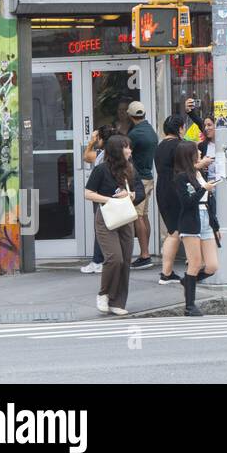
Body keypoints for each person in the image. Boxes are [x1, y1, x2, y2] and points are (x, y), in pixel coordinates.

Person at [83, 133, 145, 316]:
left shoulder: (131, 170)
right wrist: (108, 200)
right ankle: (103, 294)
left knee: (125, 260)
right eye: (127, 147)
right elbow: (88, 193)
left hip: (125, 217)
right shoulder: (101, 170)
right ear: (117, 150)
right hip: (106, 217)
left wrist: (130, 195)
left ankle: (117, 301)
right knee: (114, 258)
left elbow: (140, 192)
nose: (130, 150)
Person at [172, 139, 219, 317]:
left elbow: (209, 201)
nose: (200, 153)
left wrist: (216, 225)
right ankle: (189, 305)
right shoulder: (181, 177)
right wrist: (203, 189)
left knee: (212, 265)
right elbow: (186, 202)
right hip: (191, 220)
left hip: (206, 218)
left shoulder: (199, 173)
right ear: (189, 155)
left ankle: (188, 281)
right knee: (195, 262)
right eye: (196, 151)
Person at [154, 115, 186, 286]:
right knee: (175, 232)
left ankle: (167, 272)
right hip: (175, 190)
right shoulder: (178, 145)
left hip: (162, 189)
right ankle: (166, 273)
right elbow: (186, 167)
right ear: (179, 129)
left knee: (171, 231)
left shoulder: (160, 146)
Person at [126, 100, 158, 270]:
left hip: (139, 179)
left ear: (130, 116)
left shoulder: (135, 134)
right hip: (148, 177)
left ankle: (144, 254)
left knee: (138, 216)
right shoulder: (151, 131)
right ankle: (146, 252)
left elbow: (126, 155)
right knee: (144, 215)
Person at [80, 125, 115, 274]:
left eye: (98, 138)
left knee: (100, 227)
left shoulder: (101, 154)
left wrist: (90, 142)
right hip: (115, 194)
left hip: (101, 195)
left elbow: (86, 157)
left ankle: (98, 261)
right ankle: (105, 259)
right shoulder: (118, 152)